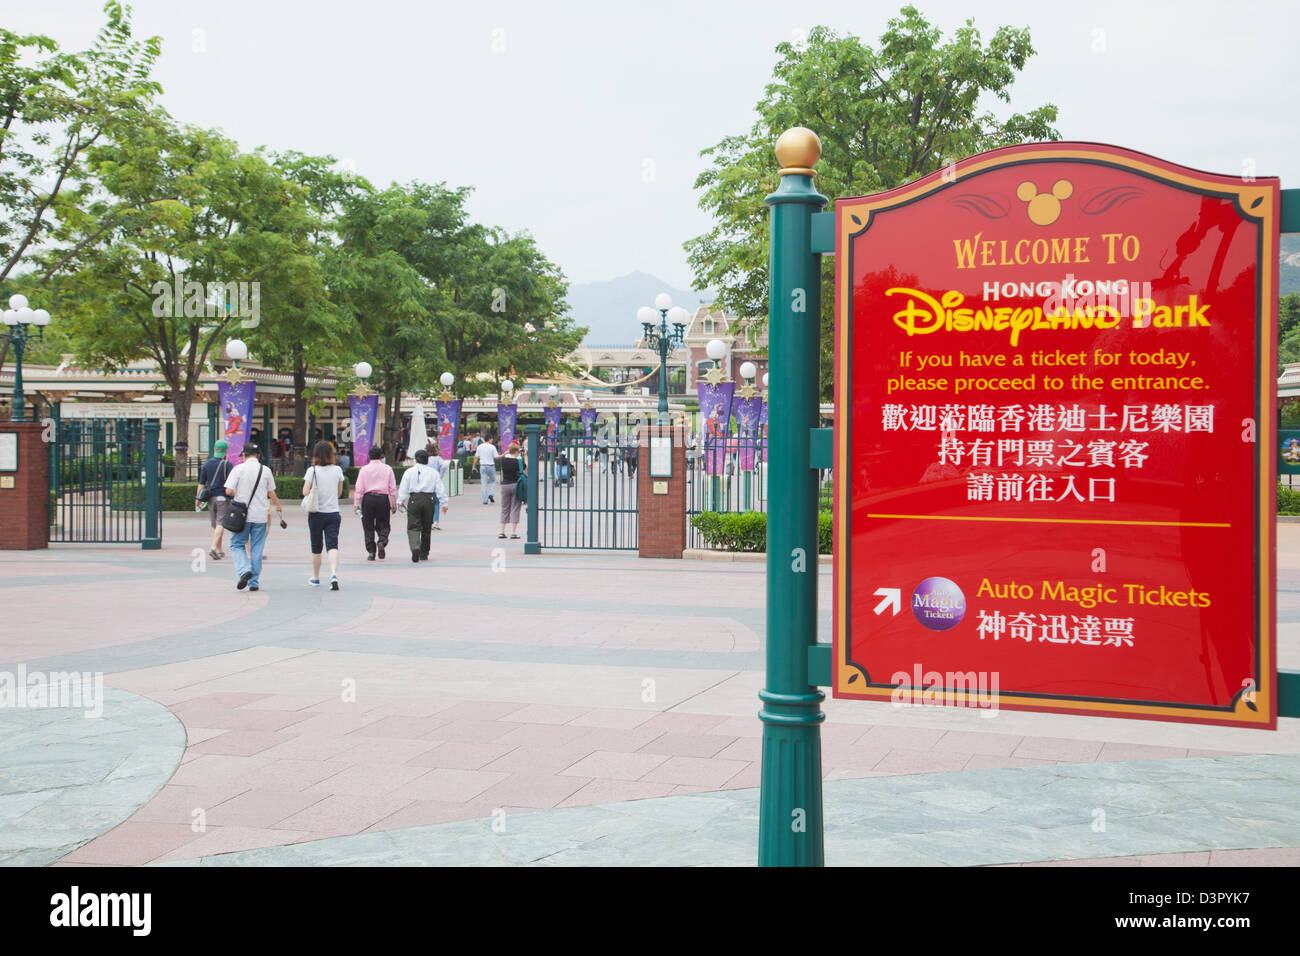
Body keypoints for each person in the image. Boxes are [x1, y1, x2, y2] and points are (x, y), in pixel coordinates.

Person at [223, 443, 283, 592]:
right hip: (260, 515)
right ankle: (254, 583)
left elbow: (229, 491)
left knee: (237, 544)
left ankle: (244, 571)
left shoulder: (238, 469)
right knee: (257, 549)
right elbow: (271, 492)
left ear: (244, 455)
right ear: (258, 455)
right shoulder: (266, 470)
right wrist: (278, 505)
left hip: (241, 516)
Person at [302, 441, 346, 589]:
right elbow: (339, 493)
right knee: (332, 544)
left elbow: (305, 492)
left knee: (316, 546)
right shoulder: (338, 470)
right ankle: (333, 574)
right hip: (333, 512)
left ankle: (315, 577)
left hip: (316, 513)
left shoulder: (312, 470)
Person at [397, 449, 449, 562]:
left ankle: (415, 546)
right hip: (428, 500)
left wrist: (400, 501)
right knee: (426, 527)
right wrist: (444, 503)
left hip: (414, 499)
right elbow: (440, 489)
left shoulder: (409, 472)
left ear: (416, 459)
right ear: (427, 460)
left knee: (413, 526)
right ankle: (424, 553)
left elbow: (403, 488)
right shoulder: (433, 472)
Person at [354, 445, 397, 560]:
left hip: (368, 499)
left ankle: (371, 552)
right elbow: (392, 488)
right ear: (381, 456)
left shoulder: (364, 469)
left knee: (368, 525)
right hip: (383, 499)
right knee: (384, 523)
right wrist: (394, 503)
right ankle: (382, 541)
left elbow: (359, 489)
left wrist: (356, 504)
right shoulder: (388, 469)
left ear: (369, 456)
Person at [196, 440, 234, 560]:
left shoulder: (207, 464)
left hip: (210, 498)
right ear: (226, 451)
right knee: (221, 523)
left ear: (214, 449)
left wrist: (197, 498)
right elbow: (231, 484)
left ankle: (219, 550)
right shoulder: (227, 464)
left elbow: (201, 483)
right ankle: (213, 548)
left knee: (216, 525)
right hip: (223, 498)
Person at [497, 440, 525, 539]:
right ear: (517, 451)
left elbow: (503, 456)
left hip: (505, 485)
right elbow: (524, 471)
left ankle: (501, 531)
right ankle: (513, 532)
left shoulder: (504, 460)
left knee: (504, 508)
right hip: (515, 485)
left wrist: (505, 453)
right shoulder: (519, 461)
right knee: (515, 507)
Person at [424, 441, 449, 529]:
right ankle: (435, 521)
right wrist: (441, 474)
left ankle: (427, 521)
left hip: (425, 483)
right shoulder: (438, 458)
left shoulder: (425, 459)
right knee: (436, 502)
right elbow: (445, 465)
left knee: (427, 502)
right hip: (435, 481)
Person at [476, 434, 499, 504]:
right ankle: (491, 494)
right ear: (489, 439)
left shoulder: (479, 447)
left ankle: (485, 500)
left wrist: (473, 466)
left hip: (482, 466)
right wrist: (504, 454)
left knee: (483, 483)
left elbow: (476, 457)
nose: (492, 440)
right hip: (491, 466)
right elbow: (496, 457)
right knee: (493, 481)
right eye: (492, 439)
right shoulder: (492, 447)